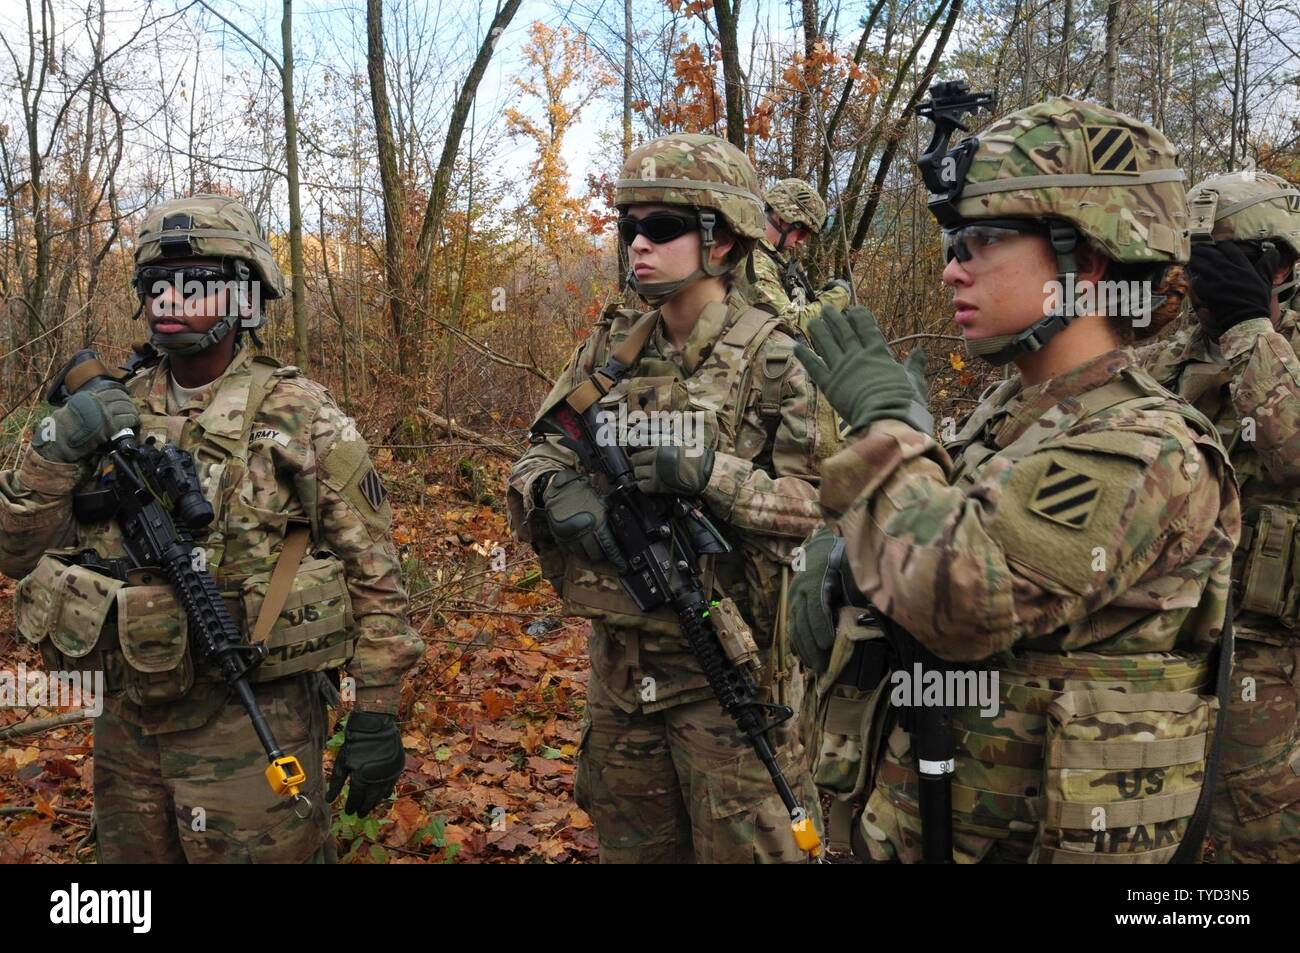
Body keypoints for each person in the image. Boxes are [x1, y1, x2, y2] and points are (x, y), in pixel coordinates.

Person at [789, 97, 1240, 863]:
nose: (952, 267)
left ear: (1086, 260)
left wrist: (889, 429)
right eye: (952, 240)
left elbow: (967, 598)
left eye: (984, 240)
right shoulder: (1018, 414)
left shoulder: (1145, 446)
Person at [1, 194, 423, 863]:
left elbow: (373, 568)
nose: (173, 299)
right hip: (131, 726)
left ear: (244, 295)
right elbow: (15, 550)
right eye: (159, 285)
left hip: (253, 724)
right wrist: (55, 445)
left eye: (197, 284)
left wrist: (375, 707)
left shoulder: (299, 412)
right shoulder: (109, 410)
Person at [507, 133, 830, 863]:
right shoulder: (610, 349)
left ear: (721, 241)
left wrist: (711, 474)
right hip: (623, 678)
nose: (638, 245)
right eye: (630, 228)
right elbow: (540, 448)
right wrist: (554, 490)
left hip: (735, 682)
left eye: (662, 228)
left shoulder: (780, 360)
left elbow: (827, 511)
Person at [1138, 170, 1300, 863]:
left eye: (1219, 259)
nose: (1198, 279)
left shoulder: (1264, 341)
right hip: (1172, 639)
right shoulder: (1178, 350)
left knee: (1255, 830)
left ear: (1278, 263)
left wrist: (1251, 331)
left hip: (1273, 650)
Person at [741, 178, 851, 329]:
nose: (802, 242)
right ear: (782, 218)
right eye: (802, 233)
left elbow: (791, 303)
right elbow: (795, 324)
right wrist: (837, 298)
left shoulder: (771, 256)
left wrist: (820, 296)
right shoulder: (755, 260)